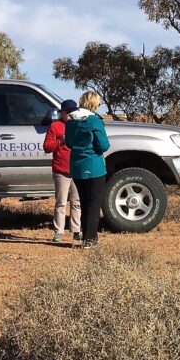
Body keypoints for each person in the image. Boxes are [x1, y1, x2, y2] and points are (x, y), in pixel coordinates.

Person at [63, 90, 110, 247]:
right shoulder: (95, 121)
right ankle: (90, 239)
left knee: (84, 202)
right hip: (94, 166)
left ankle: (88, 237)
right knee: (94, 203)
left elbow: (69, 143)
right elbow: (103, 145)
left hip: (77, 167)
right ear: (94, 104)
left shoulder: (70, 122)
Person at [43, 98, 82, 244]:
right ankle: (58, 232)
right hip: (61, 170)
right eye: (68, 112)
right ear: (62, 113)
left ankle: (76, 231)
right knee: (61, 202)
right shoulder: (55, 126)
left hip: (77, 169)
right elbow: (47, 147)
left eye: (73, 111)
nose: (71, 114)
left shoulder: (79, 125)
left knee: (77, 202)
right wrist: (61, 140)